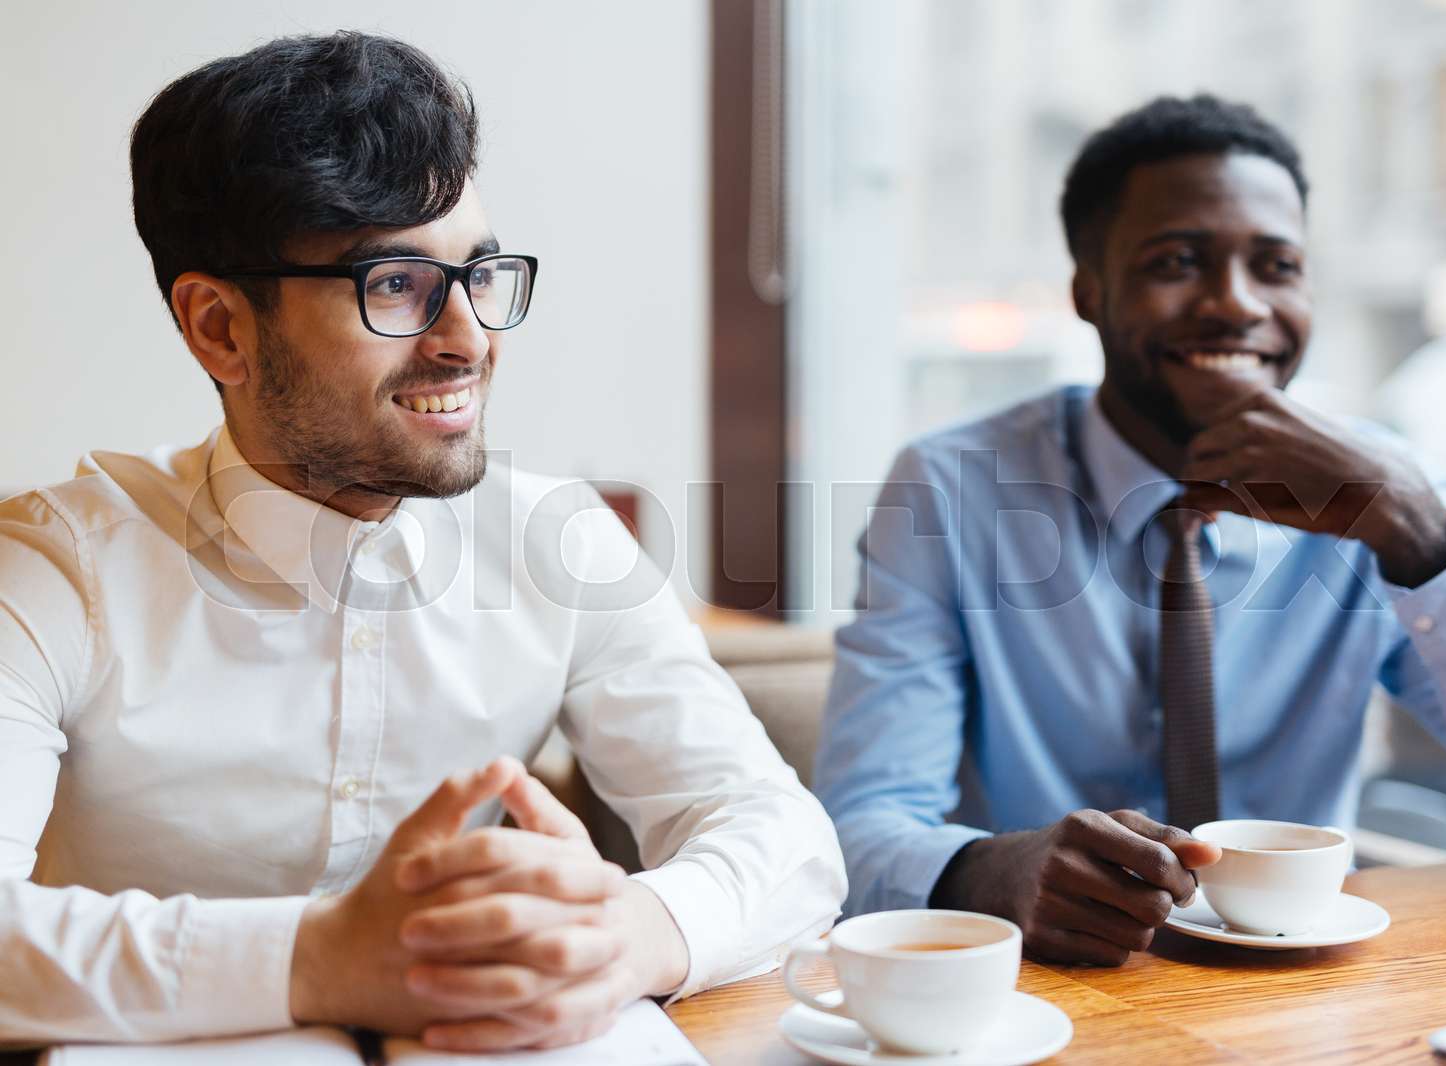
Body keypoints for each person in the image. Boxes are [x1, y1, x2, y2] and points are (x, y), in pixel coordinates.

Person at [0, 32, 844, 1052]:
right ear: (219, 327)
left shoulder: (561, 542)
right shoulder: (54, 571)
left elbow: (781, 836)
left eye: (479, 273)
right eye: (395, 284)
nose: (468, 339)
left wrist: (631, 935)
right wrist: (321, 957)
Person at [813, 94, 1446, 967]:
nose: (1236, 304)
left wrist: (1425, 537)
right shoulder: (951, 487)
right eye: (1178, 261)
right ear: (1089, 290)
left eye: (1277, 265)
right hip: (1042, 989)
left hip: (1309, 989)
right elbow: (858, 829)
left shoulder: (1385, 496)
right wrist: (988, 868)